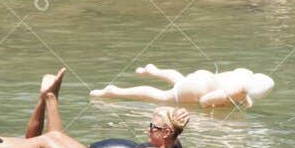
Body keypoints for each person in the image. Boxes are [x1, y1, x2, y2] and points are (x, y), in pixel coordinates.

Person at [0, 71, 186, 148]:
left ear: (165, 133)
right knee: (55, 136)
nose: (148, 130)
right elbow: (175, 142)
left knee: (50, 140)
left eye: (152, 127)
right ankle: (48, 98)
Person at [90, 64, 274, 108]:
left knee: (180, 81)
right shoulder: (232, 92)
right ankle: (114, 91)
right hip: (197, 90)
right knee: (161, 97)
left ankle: (153, 70)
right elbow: (204, 102)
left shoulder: (245, 73)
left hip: (204, 76)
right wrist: (225, 102)